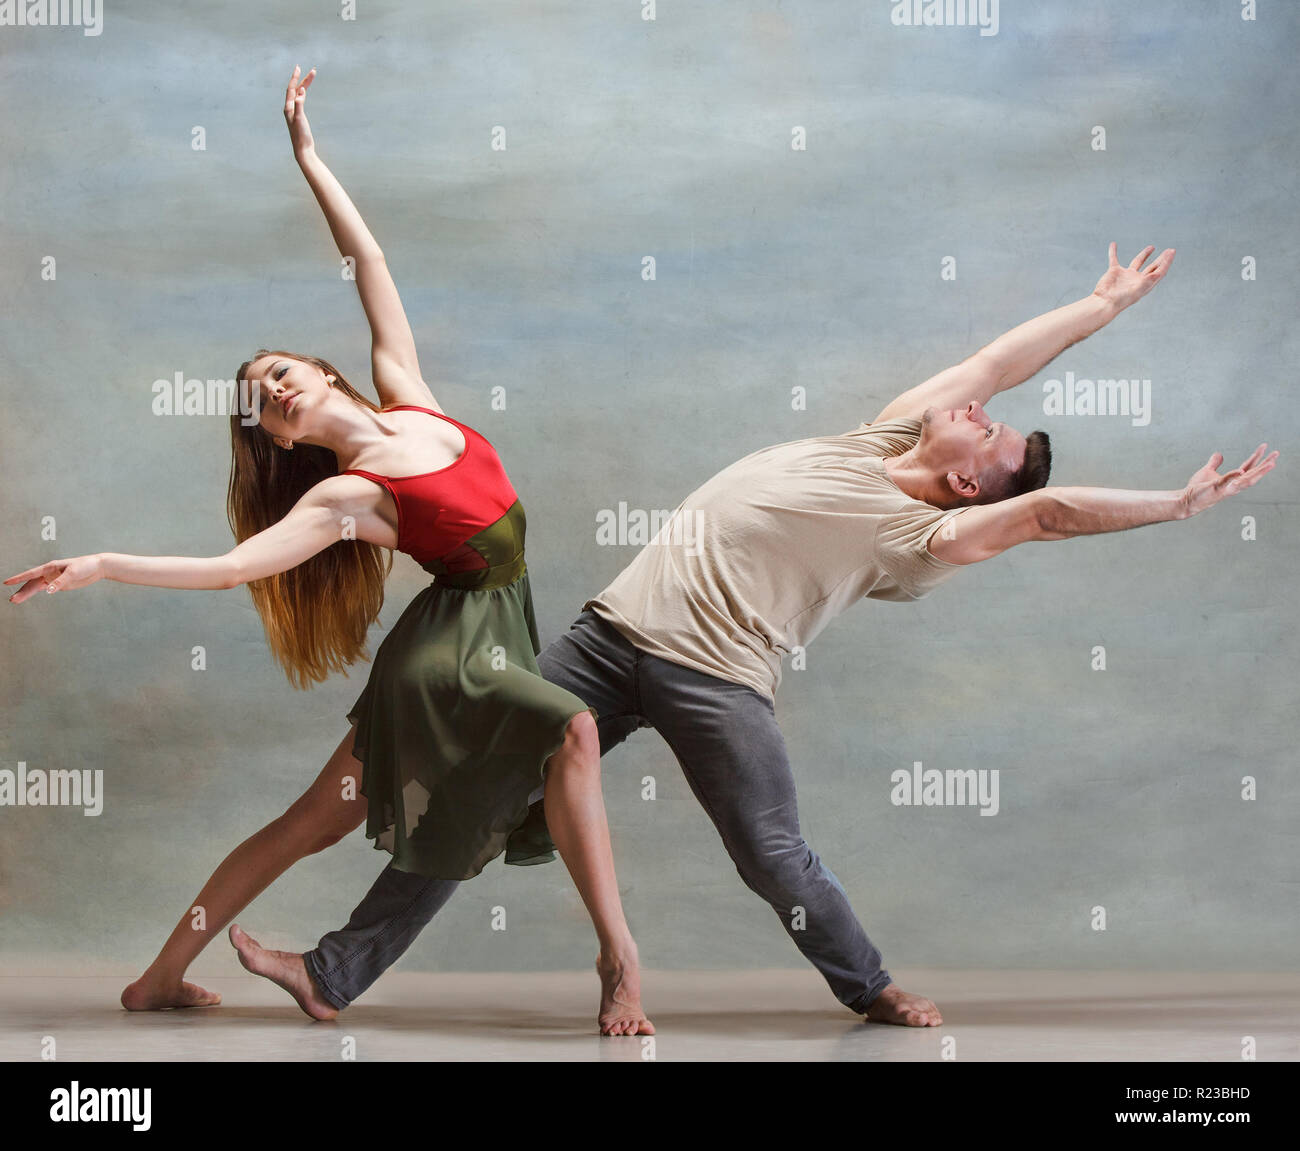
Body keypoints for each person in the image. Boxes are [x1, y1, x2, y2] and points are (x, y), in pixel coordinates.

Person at [193, 240, 1274, 1029]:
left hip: (716, 679)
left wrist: (1174, 505)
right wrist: (1099, 307)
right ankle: (333, 973)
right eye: (984, 414)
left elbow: (1046, 512)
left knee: (770, 850)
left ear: (962, 483)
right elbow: (996, 361)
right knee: (474, 790)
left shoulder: (925, 533)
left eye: (984, 435)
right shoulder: (882, 438)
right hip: (611, 634)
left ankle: (869, 983)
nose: (976, 407)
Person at [4, 67, 652, 1037]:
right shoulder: (346, 495)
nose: (275, 390)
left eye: (279, 372)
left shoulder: (411, 395)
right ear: (281, 438)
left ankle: (158, 977)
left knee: (309, 822)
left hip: (487, 636)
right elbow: (231, 570)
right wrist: (102, 563)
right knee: (574, 730)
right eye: (264, 405)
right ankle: (620, 960)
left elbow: (369, 258)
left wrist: (309, 155)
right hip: (449, 660)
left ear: (315, 367)